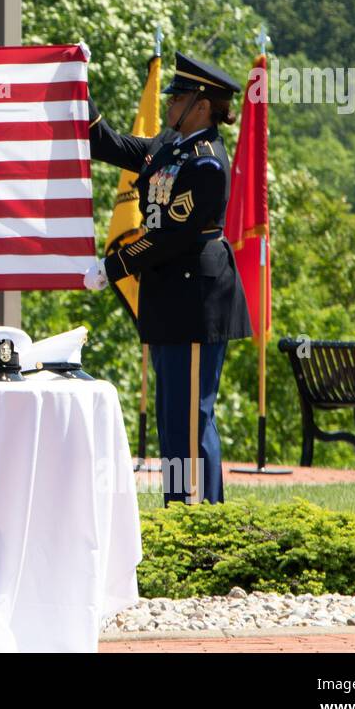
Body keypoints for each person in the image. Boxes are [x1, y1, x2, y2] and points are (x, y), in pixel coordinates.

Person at [80, 52, 252, 504]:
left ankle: (201, 524)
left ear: (201, 105)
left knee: (191, 419)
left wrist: (113, 266)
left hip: (195, 301)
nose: (170, 103)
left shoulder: (205, 163)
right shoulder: (169, 147)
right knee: (172, 418)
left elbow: (171, 238)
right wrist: (75, 82)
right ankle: (183, 517)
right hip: (170, 301)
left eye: (178, 96)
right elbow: (106, 143)